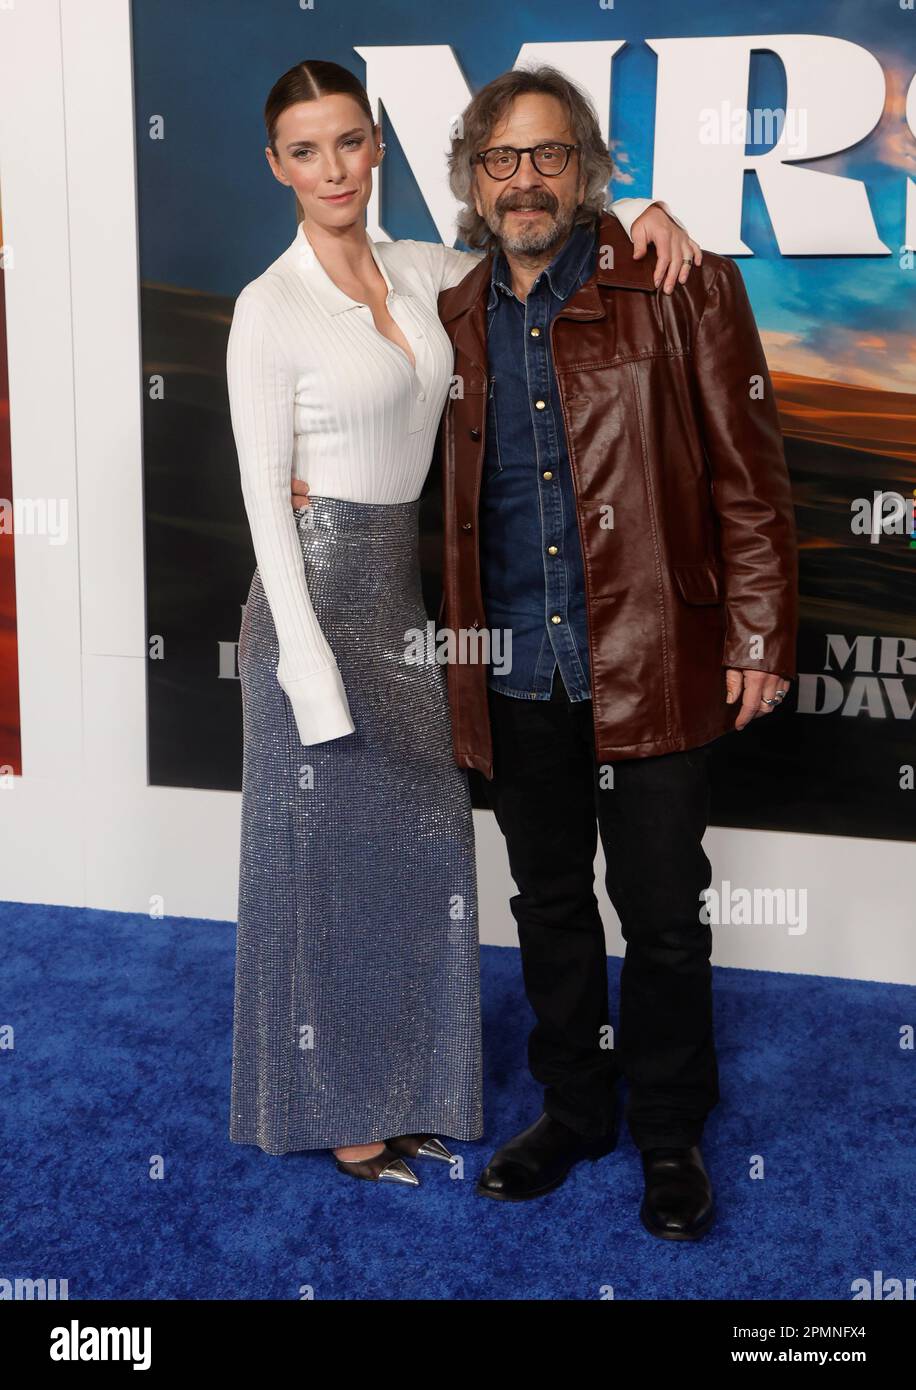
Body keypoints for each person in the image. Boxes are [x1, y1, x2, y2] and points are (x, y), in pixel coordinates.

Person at [229, 58, 700, 1186]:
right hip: (316, 610)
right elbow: (263, 499)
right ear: (276, 166)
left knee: (422, 860)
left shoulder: (426, 268)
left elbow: (539, 233)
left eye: (348, 141)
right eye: (305, 149)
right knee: (322, 870)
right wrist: (309, 674)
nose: (331, 167)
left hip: (416, 614)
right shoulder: (268, 305)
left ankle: (408, 1087)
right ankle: (337, 1111)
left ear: (377, 147)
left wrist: (639, 206)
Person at [425, 63, 797, 1238]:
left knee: (665, 913)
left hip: (647, 658)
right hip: (513, 668)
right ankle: (575, 1107)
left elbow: (751, 479)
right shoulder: (449, 310)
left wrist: (756, 631)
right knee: (546, 906)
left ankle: (670, 1129)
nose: (523, 179)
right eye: (500, 159)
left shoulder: (678, 286)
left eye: (546, 156)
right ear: (472, 181)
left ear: (586, 170)